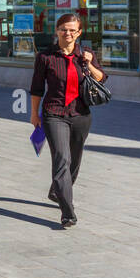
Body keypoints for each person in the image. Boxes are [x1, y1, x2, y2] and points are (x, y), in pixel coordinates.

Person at [29, 13, 107, 228]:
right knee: (61, 159)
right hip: (54, 114)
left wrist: (89, 64)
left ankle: (57, 191)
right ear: (57, 31)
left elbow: (101, 77)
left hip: (81, 115)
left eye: (73, 30)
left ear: (79, 33)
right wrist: (34, 114)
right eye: (64, 29)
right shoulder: (46, 57)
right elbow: (36, 88)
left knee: (74, 160)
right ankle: (67, 212)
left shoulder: (86, 54)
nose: (68, 33)